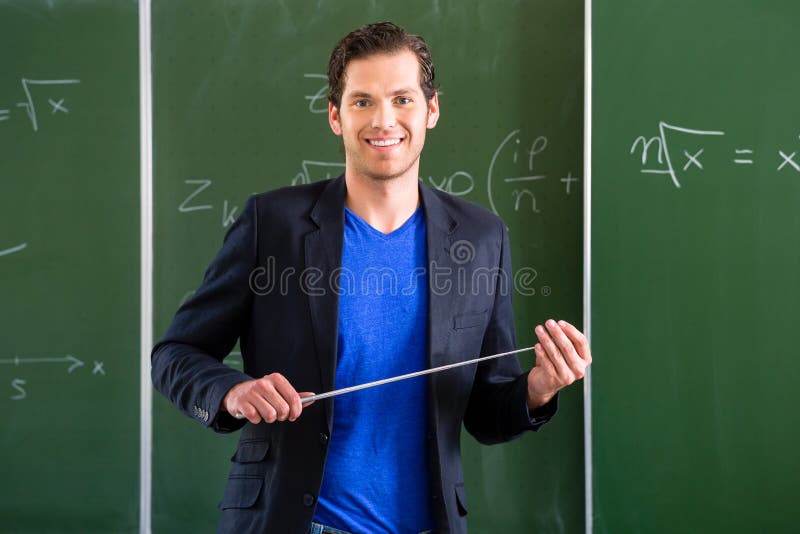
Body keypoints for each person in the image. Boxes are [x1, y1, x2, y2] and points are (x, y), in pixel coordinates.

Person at [151, 21, 592, 534]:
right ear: (335, 115)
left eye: (402, 99)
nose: (384, 120)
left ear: (431, 110)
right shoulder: (271, 224)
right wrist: (233, 392)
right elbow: (174, 355)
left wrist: (537, 388)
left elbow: (485, 413)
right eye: (362, 101)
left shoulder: (482, 236)